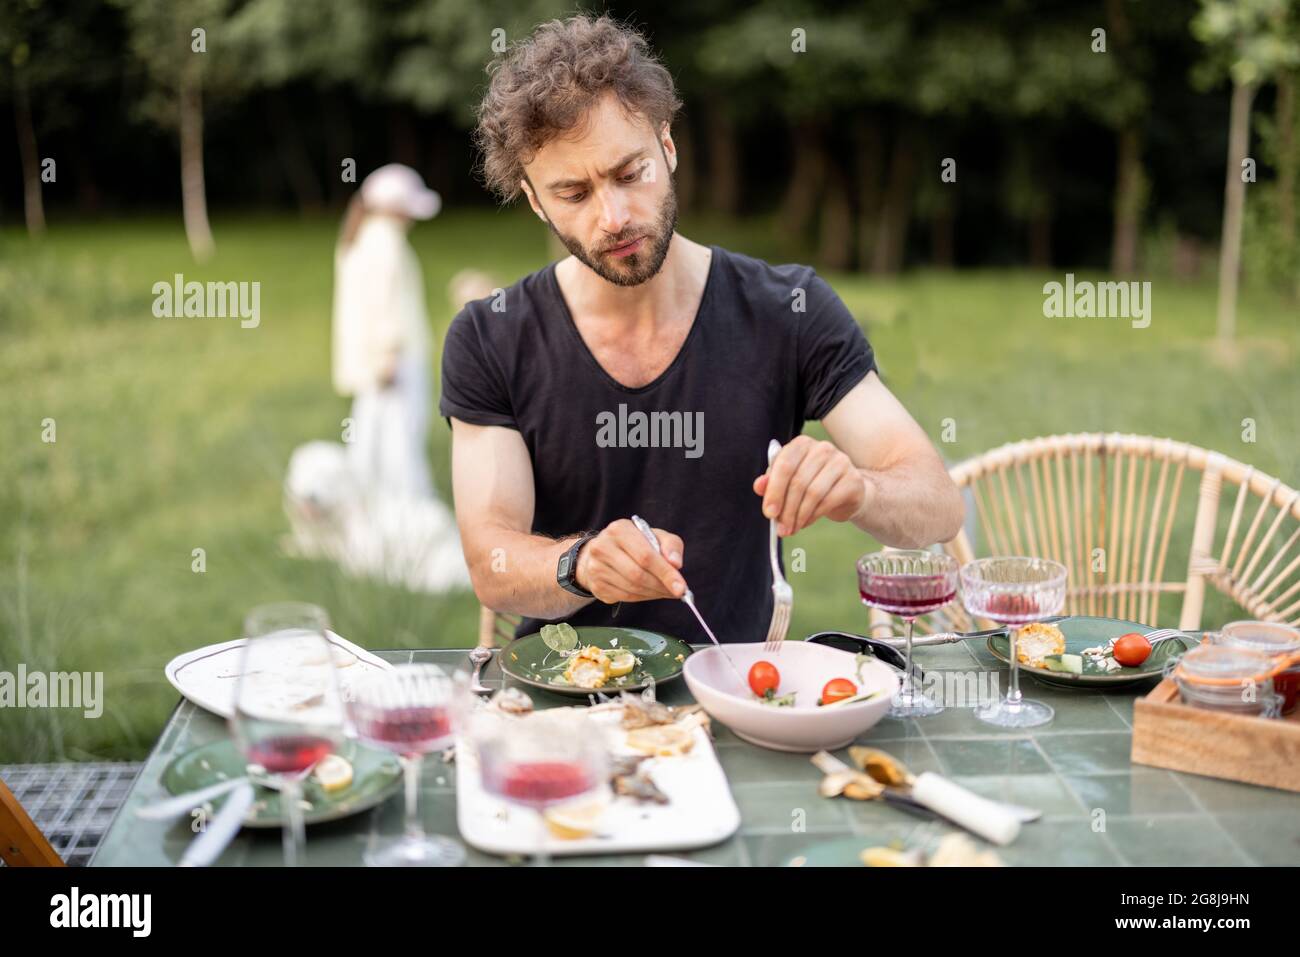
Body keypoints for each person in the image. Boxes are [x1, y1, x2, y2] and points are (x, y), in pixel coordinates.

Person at [441, 15, 964, 643]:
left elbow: (937, 505)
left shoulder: (789, 309)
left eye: (630, 173)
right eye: (574, 194)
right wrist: (578, 564)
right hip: (565, 703)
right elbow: (491, 565)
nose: (615, 217)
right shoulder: (489, 337)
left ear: (668, 145)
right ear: (533, 199)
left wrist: (859, 489)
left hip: (739, 694)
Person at [333, 164, 441, 500]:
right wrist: (389, 353)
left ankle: (368, 503)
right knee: (401, 437)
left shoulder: (365, 238)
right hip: (395, 357)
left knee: (372, 436)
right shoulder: (385, 244)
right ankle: (410, 508)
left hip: (376, 358)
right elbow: (384, 302)